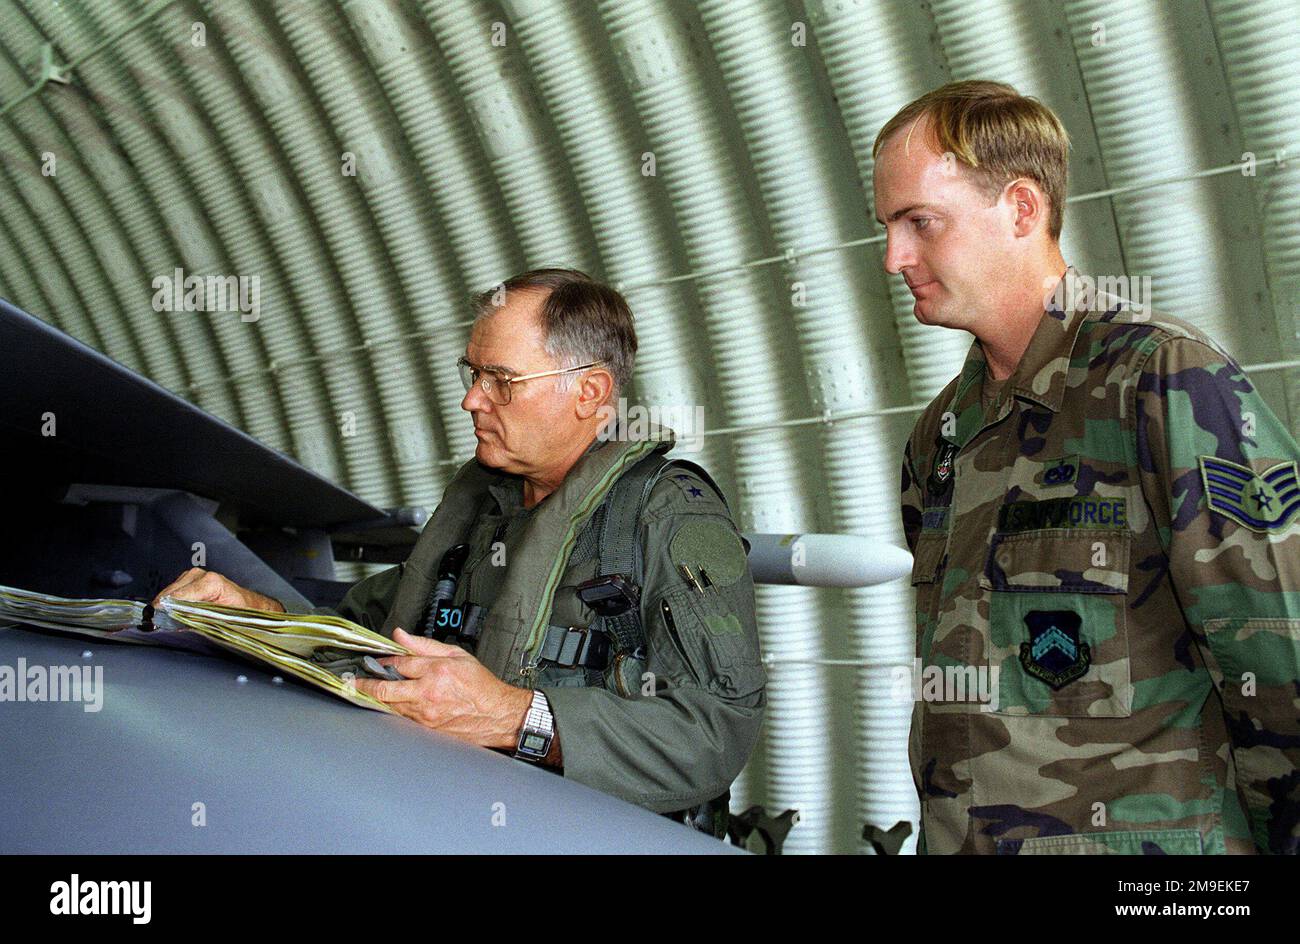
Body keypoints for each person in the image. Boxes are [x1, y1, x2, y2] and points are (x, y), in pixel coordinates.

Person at [155, 268, 765, 836]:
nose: (472, 400)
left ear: (590, 391)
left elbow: (714, 731)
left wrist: (512, 716)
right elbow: (366, 633)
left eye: (501, 380)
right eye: (471, 374)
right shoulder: (482, 510)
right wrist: (258, 616)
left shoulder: (669, 516)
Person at [876, 80, 1300, 854]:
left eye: (919, 223)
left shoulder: (1162, 382)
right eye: (889, 227)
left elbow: (1281, 662)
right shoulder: (941, 435)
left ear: (1021, 209)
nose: (893, 257)